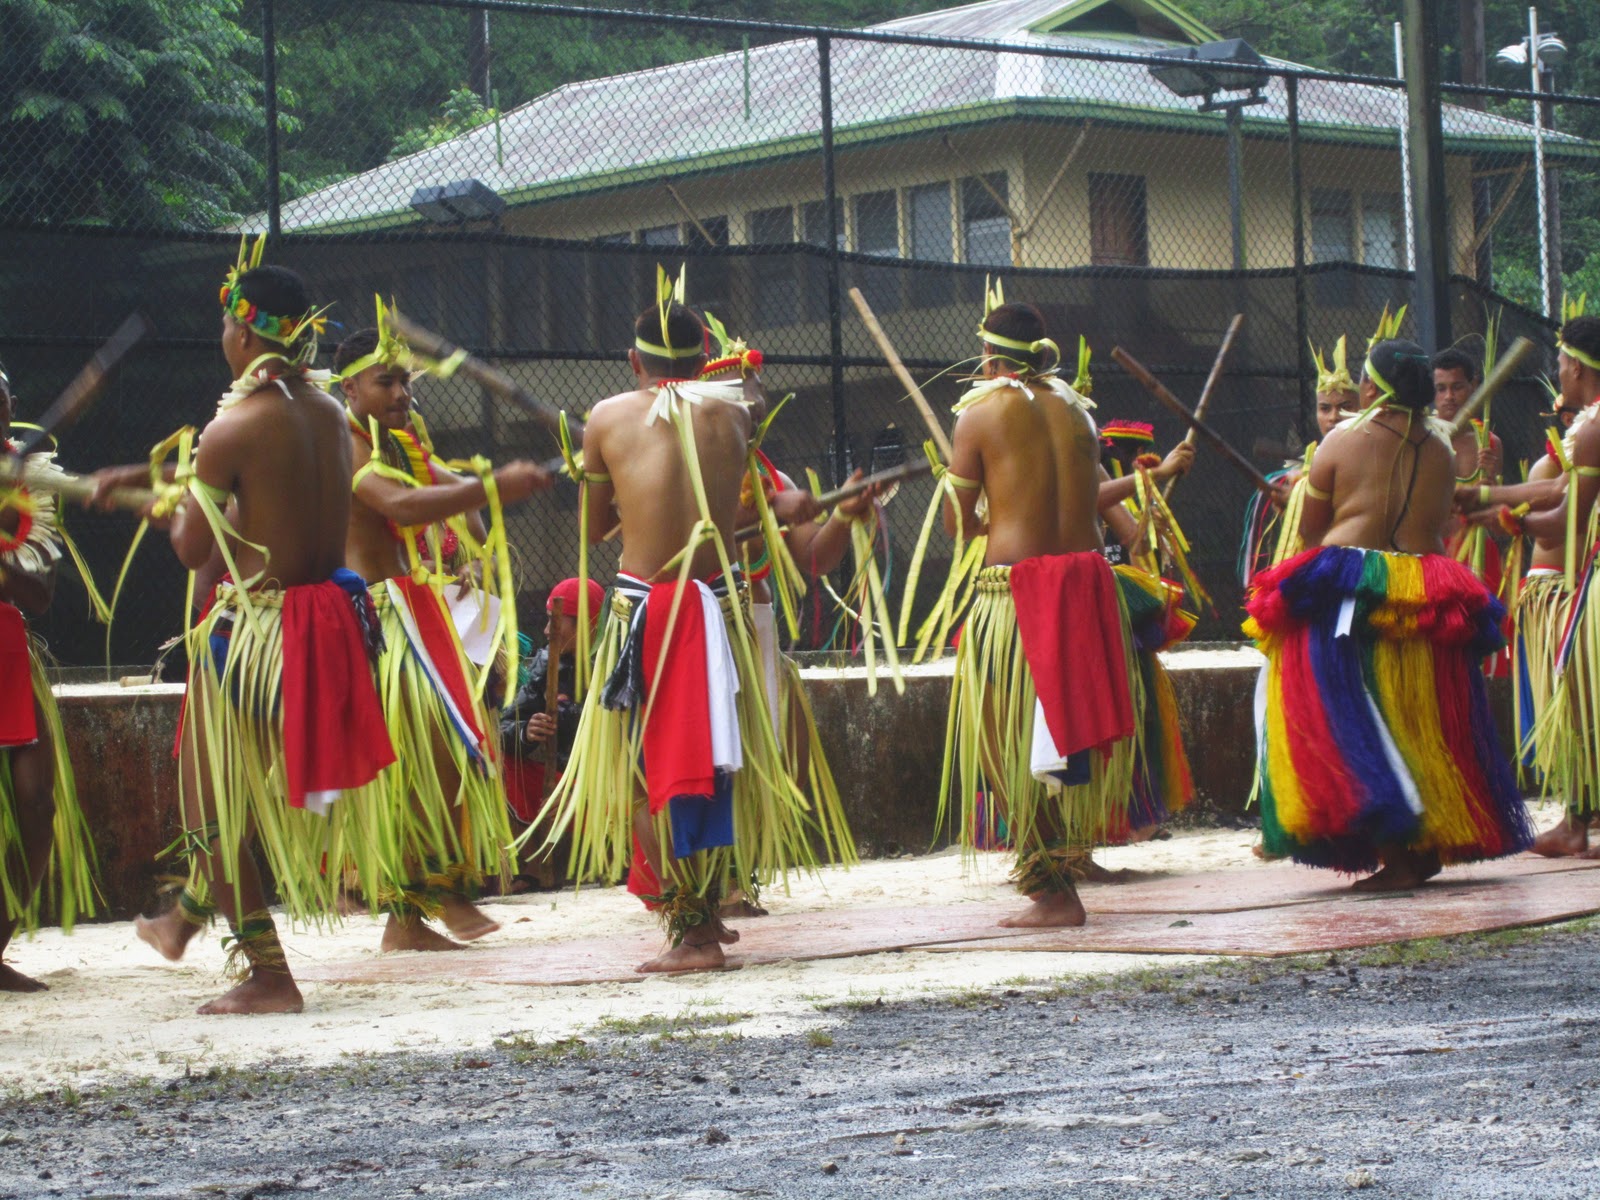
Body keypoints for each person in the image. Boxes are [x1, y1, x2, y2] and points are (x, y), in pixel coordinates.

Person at [127, 239, 398, 1013]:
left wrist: (173, 493)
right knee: (222, 798)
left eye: (225, 327)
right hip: (326, 623)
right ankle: (181, 921)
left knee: (207, 802)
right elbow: (275, 514)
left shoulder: (233, 427)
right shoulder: (328, 411)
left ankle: (271, 976)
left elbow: (192, 552)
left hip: (263, 633)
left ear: (243, 335)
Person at [536, 269, 808, 973]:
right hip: (716, 607)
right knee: (718, 756)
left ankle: (689, 932)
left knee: (639, 771)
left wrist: (602, 473)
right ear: (701, 360)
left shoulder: (606, 417)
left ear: (634, 363)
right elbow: (733, 510)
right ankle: (707, 913)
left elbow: (597, 528)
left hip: (644, 607)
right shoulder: (735, 416)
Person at [1245, 337, 1532, 890]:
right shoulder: (1442, 447)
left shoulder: (1341, 440)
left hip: (1355, 583)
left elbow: (1310, 531)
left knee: (1352, 713)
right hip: (1425, 580)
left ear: (1373, 387)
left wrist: (1305, 499)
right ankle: (1419, 846)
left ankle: (1399, 856)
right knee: (1416, 717)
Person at [334, 305, 552, 950]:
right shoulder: (346, 445)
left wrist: (472, 481)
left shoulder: (396, 444)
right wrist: (489, 486)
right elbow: (397, 504)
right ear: (349, 389)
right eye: (386, 382)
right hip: (375, 617)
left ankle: (410, 918)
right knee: (427, 754)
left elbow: (472, 527)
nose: (402, 394)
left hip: (410, 609)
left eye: (407, 382)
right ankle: (433, 902)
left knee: (442, 754)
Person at [933, 284, 1143, 928]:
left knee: (1004, 737)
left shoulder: (979, 414)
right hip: (1085, 580)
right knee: (1065, 731)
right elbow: (1094, 499)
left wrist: (973, 491)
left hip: (1015, 589)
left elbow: (957, 525)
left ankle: (1053, 888)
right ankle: (1061, 870)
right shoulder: (1079, 413)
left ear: (991, 359)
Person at [1459, 315, 1600, 856]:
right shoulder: (1589, 426)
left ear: (1576, 366)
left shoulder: (1590, 428)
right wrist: (1489, 497)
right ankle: (1578, 820)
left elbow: (1571, 517)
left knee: (1581, 700)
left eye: (1561, 362)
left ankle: (1575, 825)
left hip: (1591, 576)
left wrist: (1509, 523)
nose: (1558, 371)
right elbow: (1560, 485)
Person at [0, 360, 97, 992]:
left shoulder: (25, 481)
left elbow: (38, 596)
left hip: (8, 658)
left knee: (38, 808)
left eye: (1, 404)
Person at [1239, 336, 1362, 587]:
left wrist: (1297, 501)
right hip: (1314, 572)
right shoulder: (1307, 465)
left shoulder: (1371, 456)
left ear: (1362, 406)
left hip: (1358, 571)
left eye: (1345, 406)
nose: (1334, 417)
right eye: (1325, 408)